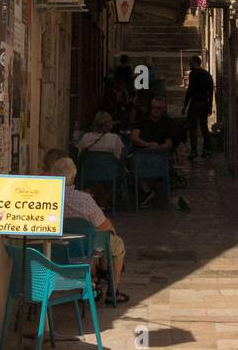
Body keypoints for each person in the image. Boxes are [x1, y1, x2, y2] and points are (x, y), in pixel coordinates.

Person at [50, 157, 129, 303]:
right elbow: (103, 224)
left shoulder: (46, 198)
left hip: (55, 247)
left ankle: (94, 278)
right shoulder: (84, 199)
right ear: (73, 177)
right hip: (86, 246)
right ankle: (113, 291)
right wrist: (112, 228)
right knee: (117, 245)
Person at [130, 94, 173, 208]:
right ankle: (147, 190)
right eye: (154, 108)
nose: (156, 111)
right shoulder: (143, 119)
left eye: (159, 108)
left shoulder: (167, 122)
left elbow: (169, 142)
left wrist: (159, 147)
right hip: (142, 155)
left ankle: (147, 191)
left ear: (163, 110)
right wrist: (147, 145)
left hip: (158, 156)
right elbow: (134, 136)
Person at [183, 55, 215, 159]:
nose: (189, 64)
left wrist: (185, 105)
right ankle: (206, 150)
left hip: (195, 103)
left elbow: (190, 91)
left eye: (190, 62)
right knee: (204, 127)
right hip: (204, 103)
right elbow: (210, 91)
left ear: (195, 62)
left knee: (193, 127)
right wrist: (210, 105)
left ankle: (194, 150)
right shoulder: (206, 74)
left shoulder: (193, 74)